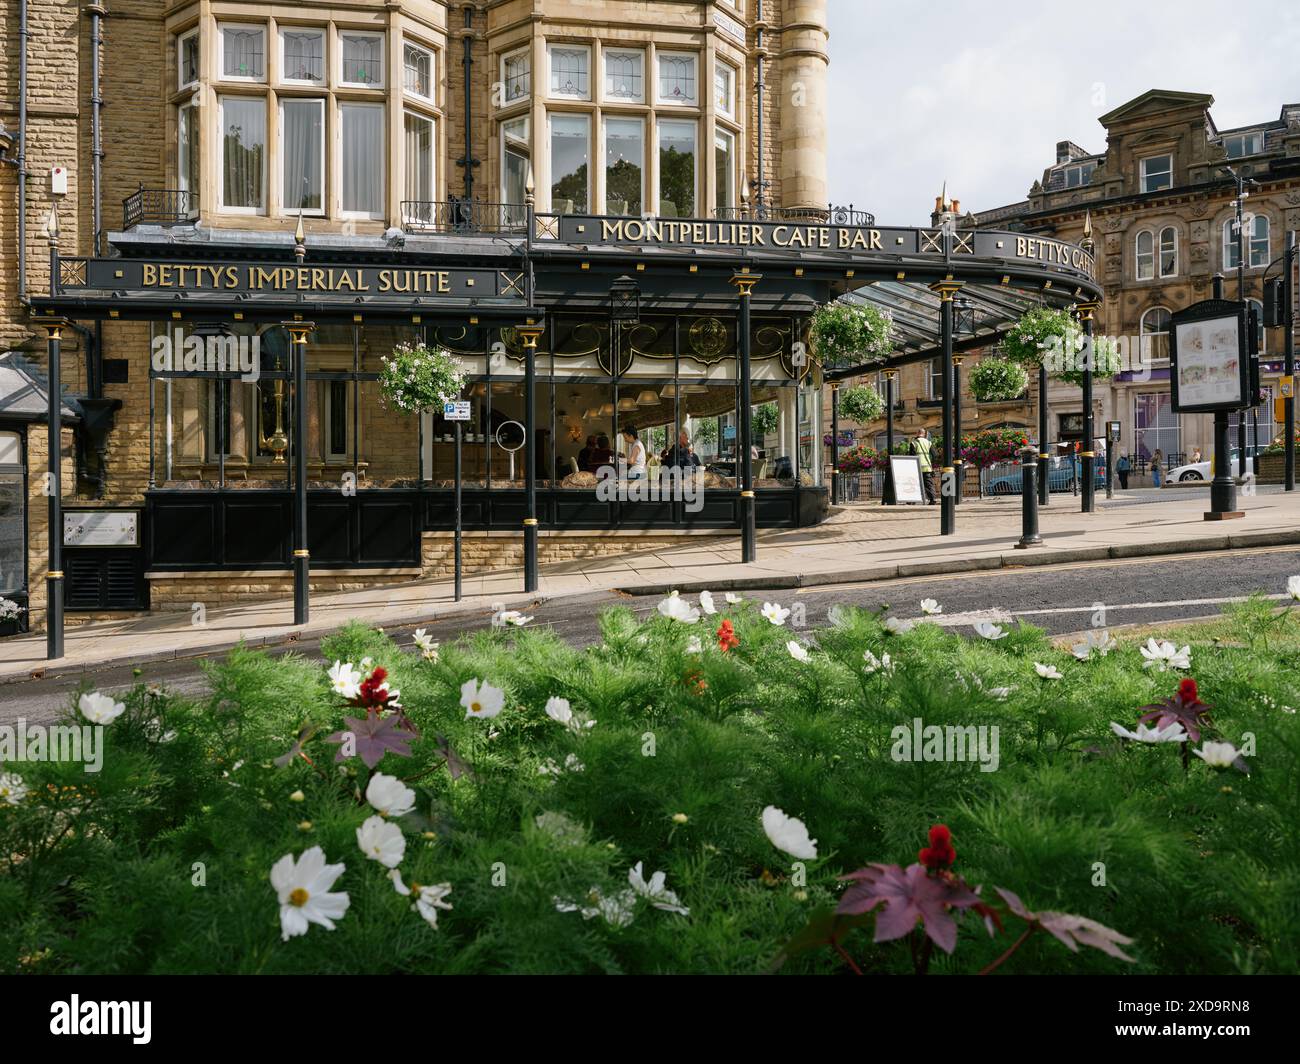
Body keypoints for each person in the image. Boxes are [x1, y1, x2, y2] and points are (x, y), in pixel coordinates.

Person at [912, 427, 935, 504]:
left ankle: (914, 500)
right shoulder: (928, 443)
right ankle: (932, 499)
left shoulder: (914, 443)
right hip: (927, 467)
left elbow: (911, 455)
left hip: (917, 467)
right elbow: (934, 454)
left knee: (915, 484)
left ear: (917, 433)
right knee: (929, 484)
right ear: (924, 434)